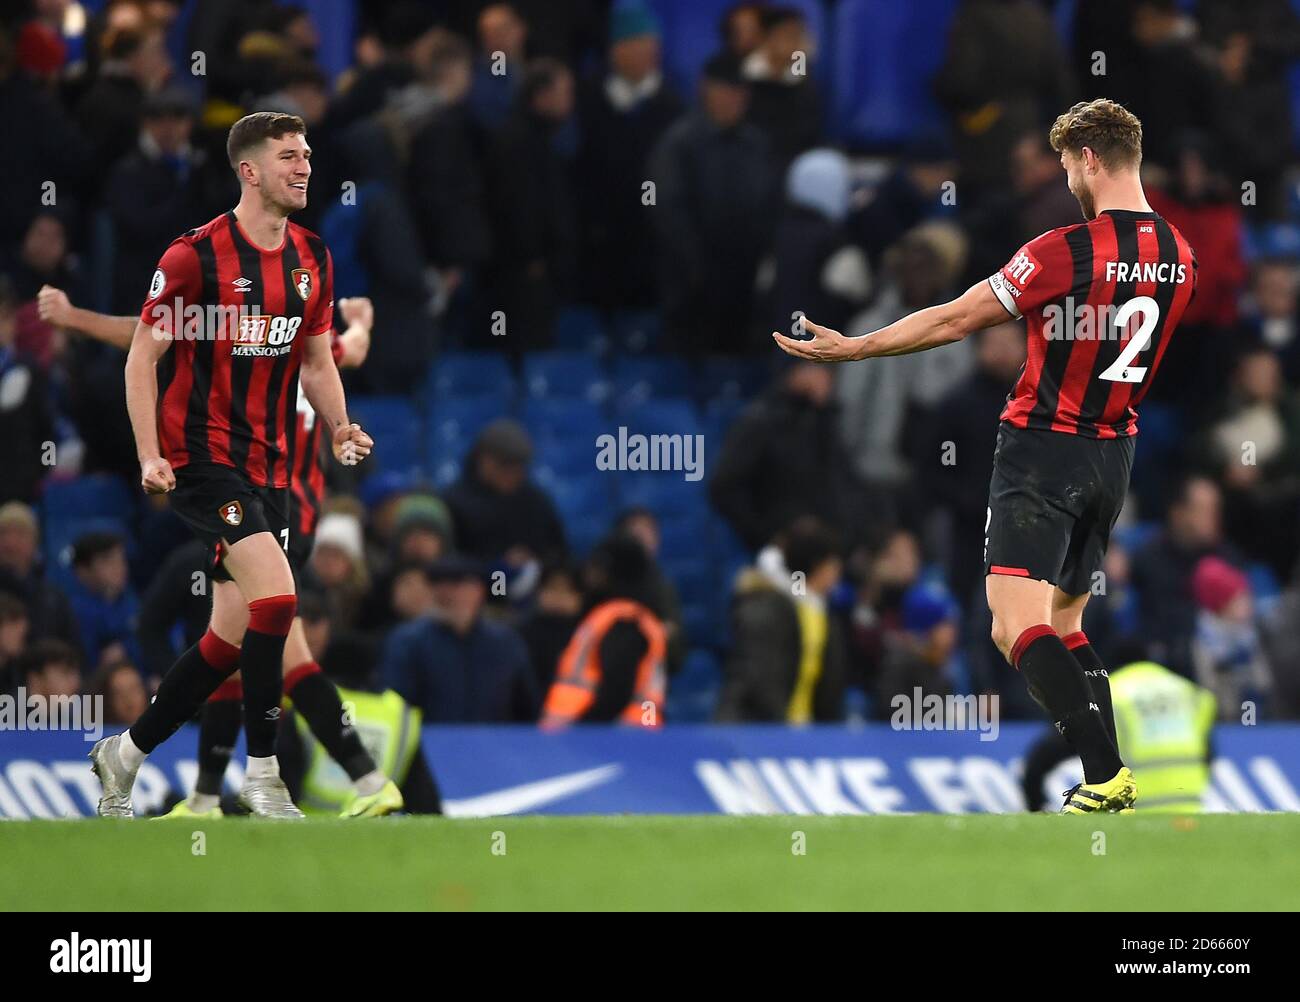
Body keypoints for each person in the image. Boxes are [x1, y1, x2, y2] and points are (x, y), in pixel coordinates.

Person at [776, 99, 1199, 814]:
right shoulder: (1180, 256)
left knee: (1012, 623)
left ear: (1089, 158)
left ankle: (1104, 776)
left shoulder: (1063, 250)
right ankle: (1112, 775)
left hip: (1042, 449)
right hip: (1112, 455)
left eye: (1068, 163)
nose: (1066, 177)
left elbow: (955, 317)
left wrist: (857, 346)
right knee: (1067, 627)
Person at [88, 111, 375, 820]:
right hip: (199, 457)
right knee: (278, 601)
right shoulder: (194, 258)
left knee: (229, 636)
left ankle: (124, 753)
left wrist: (340, 426)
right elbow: (142, 358)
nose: (304, 166)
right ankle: (263, 773)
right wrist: (151, 453)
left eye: (307, 154)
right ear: (249, 171)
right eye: (288, 156)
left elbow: (315, 360)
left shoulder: (312, 258)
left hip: (269, 466)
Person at [38, 287, 396, 818]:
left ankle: (165, 766)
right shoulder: (252, 334)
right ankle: (215, 782)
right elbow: (151, 336)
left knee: (254, 639)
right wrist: (362, 322)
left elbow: (341, 354)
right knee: (251, 636)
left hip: (277, 504)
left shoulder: (284, 337)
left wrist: (76, 319)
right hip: (252, 498)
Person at [1021, 658, 1215, 813]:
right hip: (1187, 810)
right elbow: (1208, 752)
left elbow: (1044, 755)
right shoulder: (1187, 690)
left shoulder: (1112, 692)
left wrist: (1035, 804)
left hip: (1135, 811)